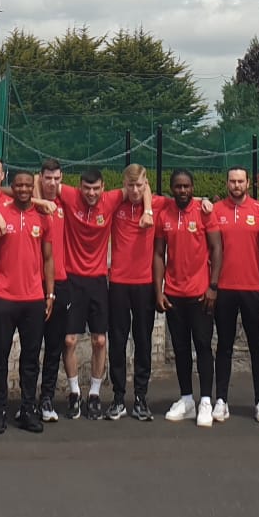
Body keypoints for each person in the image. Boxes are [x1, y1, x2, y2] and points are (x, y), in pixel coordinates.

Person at [0, 169, 55, 434]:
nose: (24, 189)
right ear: (11, 187)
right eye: (19, 185)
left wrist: (50, 293)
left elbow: (48, 259)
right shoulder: (1, 216)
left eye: (28, 185)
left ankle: (28, 410)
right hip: (3, 297)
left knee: (30, 359)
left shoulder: (43, 218)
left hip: (33, 299)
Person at [208, 166, 259, 424]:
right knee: (223, 346)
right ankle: (221, 400)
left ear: (248, 183)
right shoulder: (215, 211)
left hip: (253, 288)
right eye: (232, 181)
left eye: (240, 181)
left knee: (258, 347)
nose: (236, 185)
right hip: (224, 289)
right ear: (227, 184)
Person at [155, 169, 219, 426]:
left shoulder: (204, 211)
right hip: (173, 294)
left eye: (187, 186)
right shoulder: (164, 214)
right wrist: (158, 289)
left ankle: (205, 400)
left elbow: (216, 249)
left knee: (203, 346)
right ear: (172, 189)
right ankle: (187, 399)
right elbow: (159, 254)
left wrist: (213, 286)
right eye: (178, 186)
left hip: (201, 293)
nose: (183, 190)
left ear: (193, 187)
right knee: (180, 349)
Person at [55, 167, 115, 419]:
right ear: (79, 187)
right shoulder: (69, 196)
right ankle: (74, 393)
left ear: (103, 188)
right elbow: (38, 181)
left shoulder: (111, 200)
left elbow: (142, 186)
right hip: (72, 280)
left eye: (96, 188)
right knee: (68, 340)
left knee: (99, 341)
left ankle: (94, 394)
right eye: (86, 188)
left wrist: (146, 209)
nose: (91, 193)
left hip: (99, 280)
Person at [106, 163, 158, 420]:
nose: (135, 190)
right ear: (123, 185)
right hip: (117, 283)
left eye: (140, 185)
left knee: (143, 341)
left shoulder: (156, 204)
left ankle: (141, 397)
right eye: (131, 185)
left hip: (144, 284)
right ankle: (118, 397)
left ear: (146, 184)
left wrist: (205, 203)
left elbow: (188, 202)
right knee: (117, 341)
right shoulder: (116, 203)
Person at [34, 159, 72, 420]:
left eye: (57, 178)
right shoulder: (27, 202)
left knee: (54, 346)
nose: (53, 183)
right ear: (40, 178)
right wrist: (38, 200)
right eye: (47, 178)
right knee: (30, 347)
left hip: (60, 282)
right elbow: (3, 191)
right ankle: (26, 401)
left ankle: (46, 398)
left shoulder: (66, 205)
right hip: (31, 285)